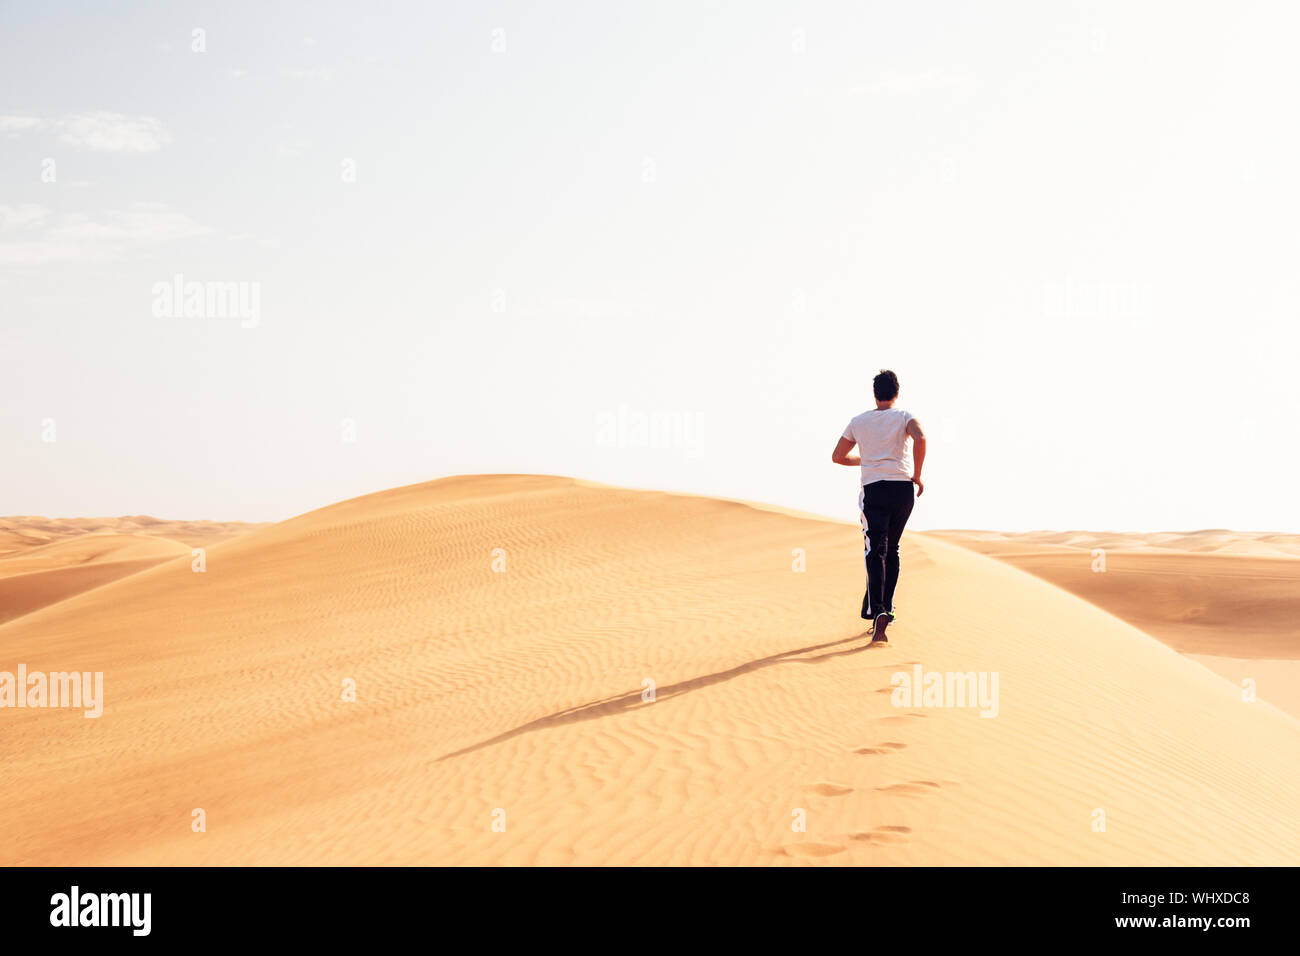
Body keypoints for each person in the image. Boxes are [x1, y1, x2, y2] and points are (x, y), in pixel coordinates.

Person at [831, 369, 926, 642]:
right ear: (897, 393)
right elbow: (920, 437)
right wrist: (917, 474)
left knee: (875, 551)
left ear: (875, 394)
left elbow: (838, 456)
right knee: (892, 548)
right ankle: (888, 608)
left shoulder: (859, 422)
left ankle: (878, 610)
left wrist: (869, 459)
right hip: (902, 489)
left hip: (874, 489)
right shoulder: (905, 417)